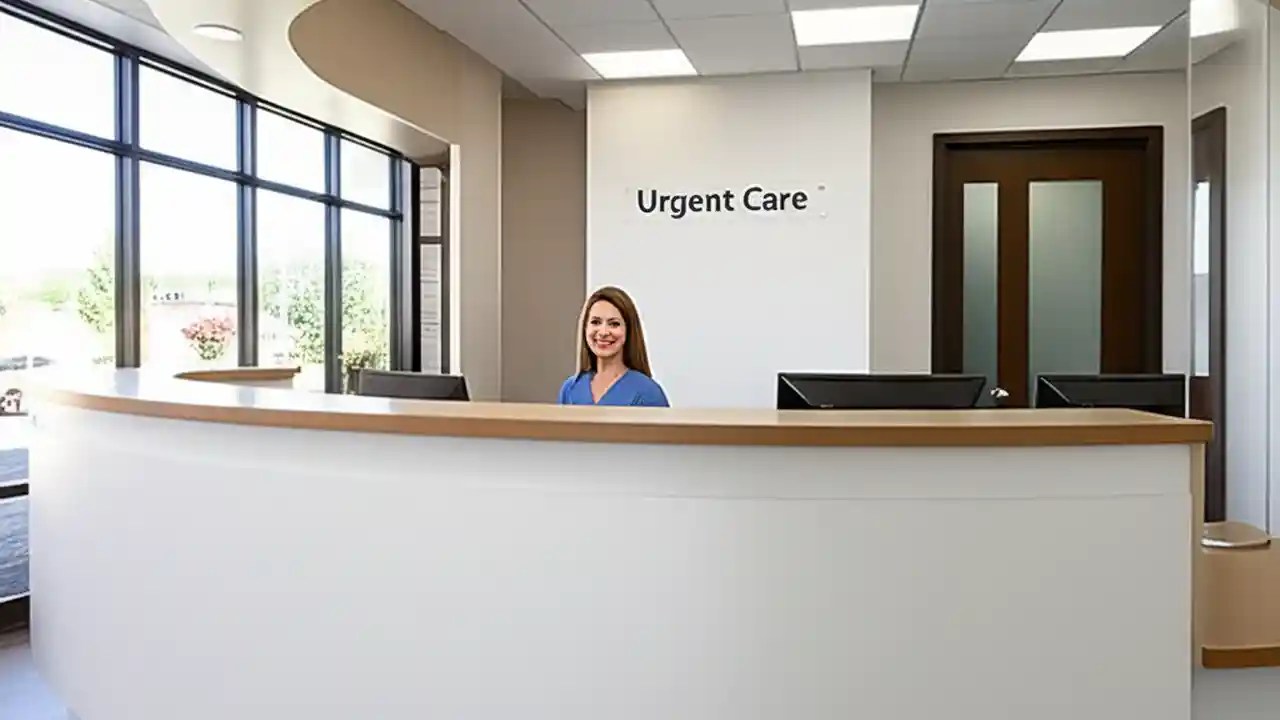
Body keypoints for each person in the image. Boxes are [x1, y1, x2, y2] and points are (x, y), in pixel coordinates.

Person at [558, 286, 669, 407]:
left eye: (614, 324)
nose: (603, 332)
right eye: (595, 322)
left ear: (629, 330)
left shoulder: (649, 393)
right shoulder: (570, 389)